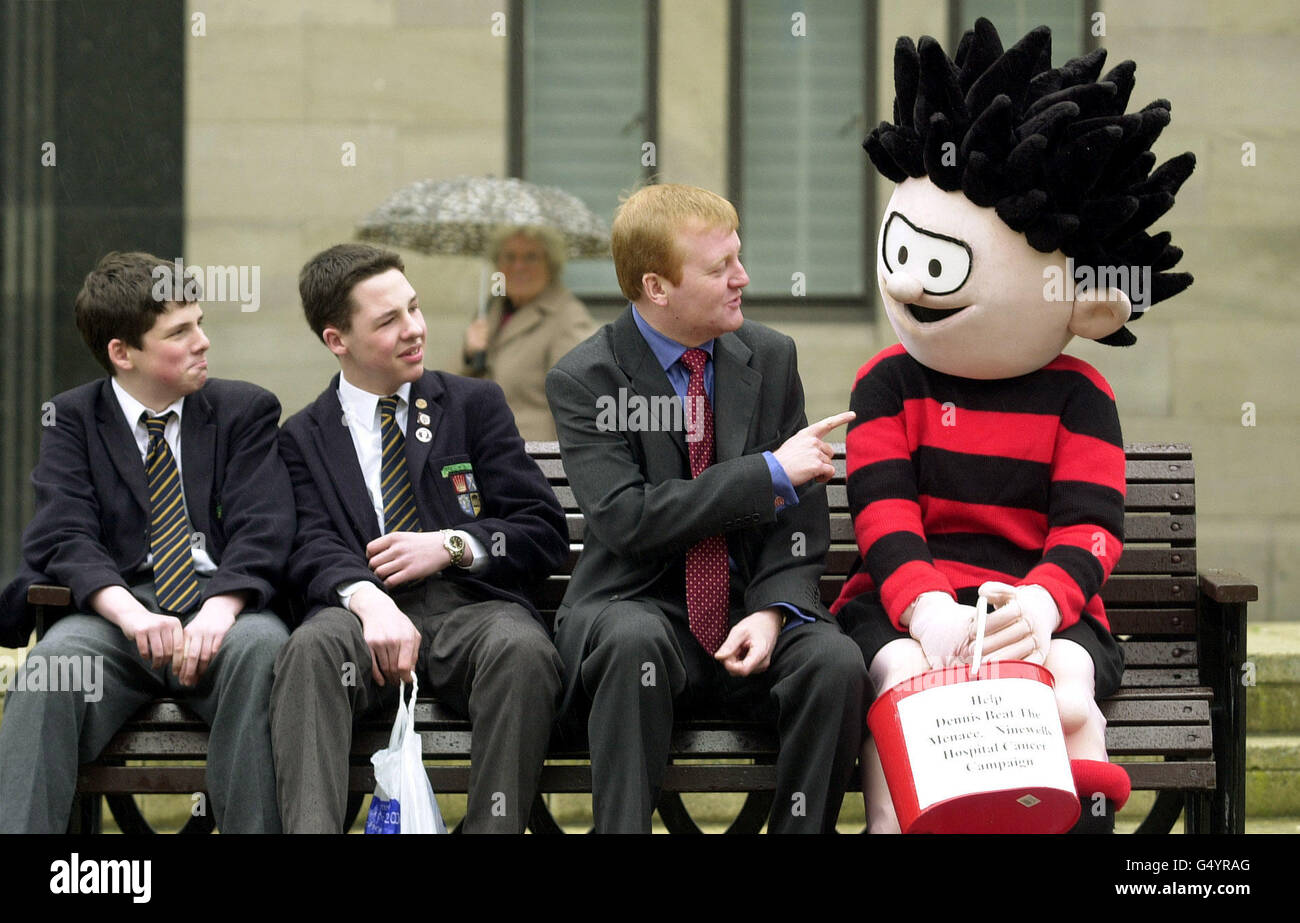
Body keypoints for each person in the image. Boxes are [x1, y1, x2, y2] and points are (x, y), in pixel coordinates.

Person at [837, 18, 1197, 833]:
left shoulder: (1079, 397)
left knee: (1064, 669)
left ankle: (1071, 794)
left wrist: (1037, 608)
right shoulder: (886, 385)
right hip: (904, 609)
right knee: (895, 672)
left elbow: (1091, 529)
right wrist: (930, 612)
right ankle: (898, 820)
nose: (916, 283)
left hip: (1049, 614)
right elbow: (882, 516)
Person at [545, 184, 868, 833]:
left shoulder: (770, 357)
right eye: (720, 268)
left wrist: (776, 611)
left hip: (749, 618)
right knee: (632, 641)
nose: (742, 278)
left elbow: (798, 518)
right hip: (636, 612)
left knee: (835, 664)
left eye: (738, 258)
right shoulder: (587, 378)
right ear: (657, 287)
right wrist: (767, 471)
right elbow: (627, 518)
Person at [272, 243, 567, 834]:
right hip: (358, 623)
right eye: (388, 321)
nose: (415, 330)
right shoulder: (302, 437)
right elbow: (307, 547)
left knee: (524, 651)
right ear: (338, 340)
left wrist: (452, 544)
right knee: (308, 652)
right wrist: (367, 597)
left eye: (414, 308)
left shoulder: (473, 406)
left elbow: (541, 531)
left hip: (468, 614)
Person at [0, 251, 293, 833]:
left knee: (264, 652)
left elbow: (266, 526)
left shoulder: (244, 411)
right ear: (122, 352)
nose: (203, 341)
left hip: (228, 611)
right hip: (117, 614)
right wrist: (132, 615)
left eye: (200, 323)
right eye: (180, 332)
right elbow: (64, 533)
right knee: (48, 671)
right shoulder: (73, 419)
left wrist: (220, 607)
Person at [461, 225, 596, 441]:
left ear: (550, 266)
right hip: (484, 447)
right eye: (509, 257)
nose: (519, 266)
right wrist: (469, 355)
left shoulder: (568, 317)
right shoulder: (491, 310)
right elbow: (455, 391)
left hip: (534, 456)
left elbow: (579, 402)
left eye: (531, 257)